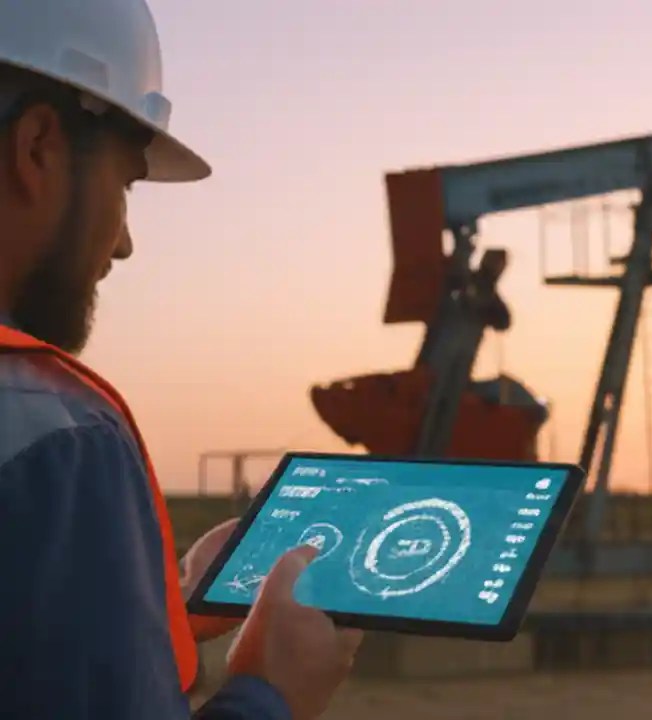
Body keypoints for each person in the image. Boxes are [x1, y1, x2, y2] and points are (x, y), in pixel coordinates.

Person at [0, 2, 362, 718]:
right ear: (39, 145)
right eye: (126, 184)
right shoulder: (58, 442)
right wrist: (271, 691)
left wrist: (155, 597)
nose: (126, 243)